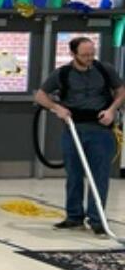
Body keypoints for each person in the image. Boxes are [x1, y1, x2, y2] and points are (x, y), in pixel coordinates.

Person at [35, 37, 125, 235]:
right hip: (74, 129)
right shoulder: (63, 74)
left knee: (99, 176)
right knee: (74, 175)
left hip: (101, 130)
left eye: (92, 54)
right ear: (73, 54)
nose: (89, 58)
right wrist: (56, 107)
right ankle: (74, 217)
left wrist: (111, 110)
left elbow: (121, 91)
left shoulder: (104, 69)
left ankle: (97, 219)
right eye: (84, 55)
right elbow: (40, 95)